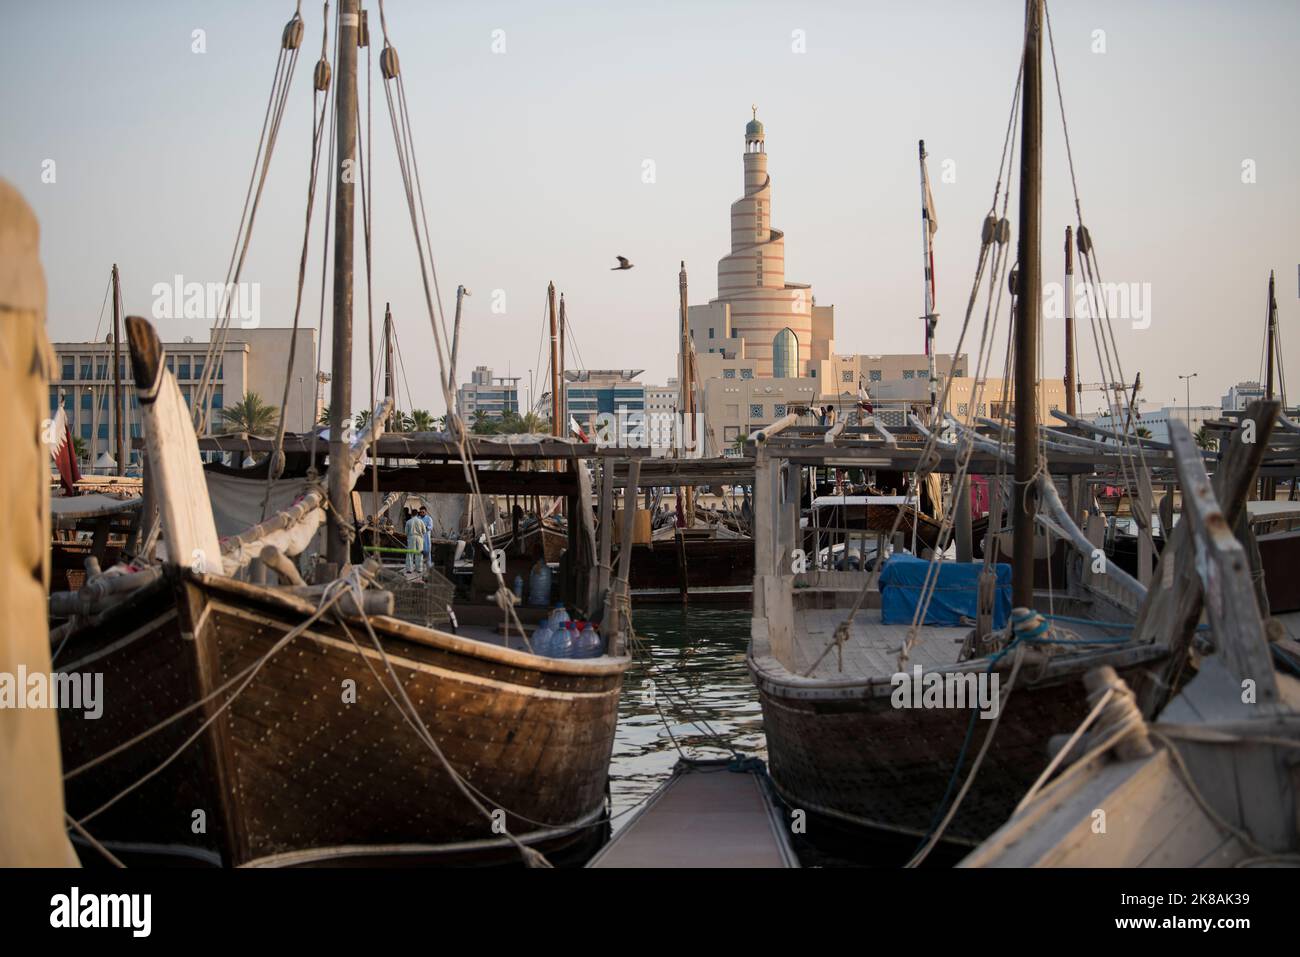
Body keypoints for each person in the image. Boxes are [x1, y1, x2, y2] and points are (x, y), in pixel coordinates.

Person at [404, 509, 426, 575]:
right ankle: (419, 569)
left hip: (411, 537)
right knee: (419, 553)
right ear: (417, 514)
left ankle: (409, 569)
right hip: (419, 538)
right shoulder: (421, 521)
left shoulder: (408, 522)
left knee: (410, 553)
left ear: (411, 514)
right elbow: (424, 531)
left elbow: (406, 532)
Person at [419, 505, 434, 570]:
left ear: (425, 512)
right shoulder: (418, 518)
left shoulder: (429, 518)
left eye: (423, 512)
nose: (422, 513)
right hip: (420, 537)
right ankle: (420, 566)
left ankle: (429, 565)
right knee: (420, 551)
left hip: (426, 537)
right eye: (421, 512)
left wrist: (424, 528)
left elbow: (430, 527)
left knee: (427, 551)